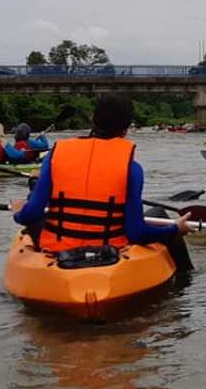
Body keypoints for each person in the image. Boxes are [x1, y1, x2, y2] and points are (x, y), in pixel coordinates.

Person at [11, 95, 193, 272]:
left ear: (92, 120)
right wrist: (175, 229)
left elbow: (31, 215)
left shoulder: (54, 156)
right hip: (110, 253)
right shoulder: (132, 168)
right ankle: (186, 281)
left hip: (60, 253)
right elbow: (136, 233)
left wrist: (19, 212)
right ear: (126, 129)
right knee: (159, 213)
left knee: (35, 211)